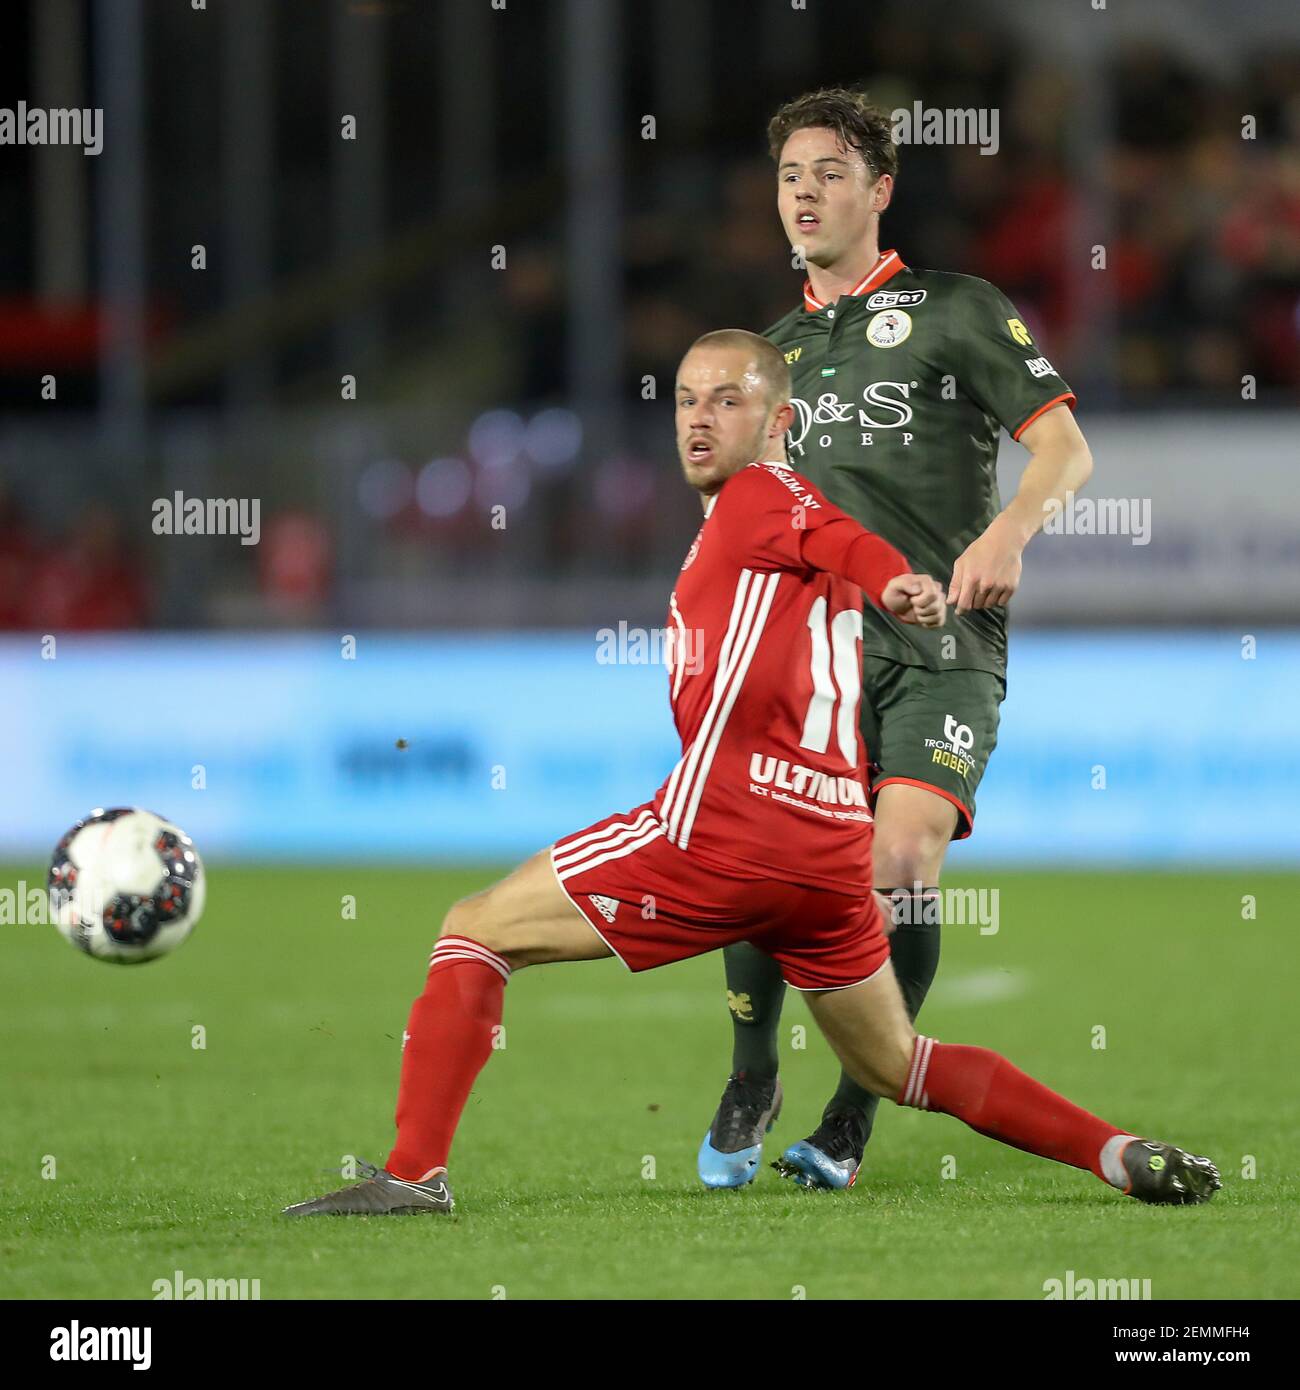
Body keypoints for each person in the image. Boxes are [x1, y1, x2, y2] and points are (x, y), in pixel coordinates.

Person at [284, 332, 1217, 1217]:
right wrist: (881, 580)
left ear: (781, 422)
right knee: (900, 1063)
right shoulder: (752, 524)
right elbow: (829, 550)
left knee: (473, 932)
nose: (699, 418)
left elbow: (840, 540)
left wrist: (893, 578)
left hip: (723, 831)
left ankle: (413, 1175)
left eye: (728, 401)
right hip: (824, 858)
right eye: (688, 399)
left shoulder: (762, 495)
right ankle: (1117, 1154)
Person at [702, 87, 1096, 1191]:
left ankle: (850, 1116)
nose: (806, 195)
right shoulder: (767, 358)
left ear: (879, 191)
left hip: (942, 642)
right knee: (766, 868)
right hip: (804, 655)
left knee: (902, 860)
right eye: (789, 177)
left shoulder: (955, 307)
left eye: (830, 174)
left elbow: (1065, 452)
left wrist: (1012, 531)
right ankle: (749, 1074)